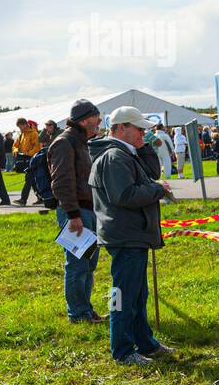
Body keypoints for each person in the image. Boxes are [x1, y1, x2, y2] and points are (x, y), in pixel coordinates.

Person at [89, 106, 175, 365]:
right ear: (121, 128)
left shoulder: (124, 154)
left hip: (131, 235)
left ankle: (145, 342)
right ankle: (123, 350)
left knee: (137, 294)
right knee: (124, 296)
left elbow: (145, 178)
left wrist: (153, 185)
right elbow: (124, 196)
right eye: (138, 129)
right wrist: (157, 190)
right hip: (126, 236)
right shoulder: (116, 157)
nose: (143, 134)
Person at [47, 99, 104, 324]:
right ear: (84, 119)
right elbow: (61, 181)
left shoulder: (82, 142)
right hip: (75, 212)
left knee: (88, 264)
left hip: (86, 210)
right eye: (96, 117)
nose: (99, 121)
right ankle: (78, 314)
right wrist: (73, 215)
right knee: (78, 264)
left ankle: (86, 310)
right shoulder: (65, 142)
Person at [13, 118, 41, 205]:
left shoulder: (34, 134)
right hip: (25, 160)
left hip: (33, 160)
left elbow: (37, 147)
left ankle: (23, 199)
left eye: (21, 127)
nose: (20, 129)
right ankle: (41, 197)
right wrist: (16, 150)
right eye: (19, 127)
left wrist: (28, 154)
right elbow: (15, 145)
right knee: (32, 180)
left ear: (25, 124)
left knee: (28, 179)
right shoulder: (22, 135)